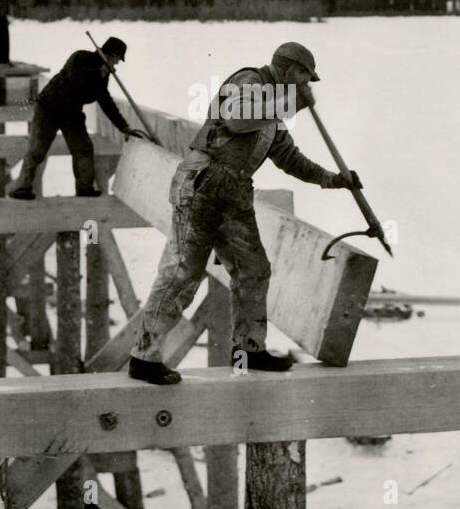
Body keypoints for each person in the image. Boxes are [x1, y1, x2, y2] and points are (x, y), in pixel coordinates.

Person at [128, 41, 361, 385]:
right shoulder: (248, 84)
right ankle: (143, 358)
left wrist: (332, 180)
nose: (306, 85)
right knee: (183, 273)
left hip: (233, 193)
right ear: (284, 70)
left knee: (254, 270)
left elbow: (288, 158)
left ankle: (248, 350)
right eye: (303, 76)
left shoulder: (273, 113)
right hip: (202, 185)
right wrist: (288, 102)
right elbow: (237, 121)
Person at [10, 35, 145, 199]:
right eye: (117, 60)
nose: (116, 64)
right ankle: (22, 187)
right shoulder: (80, 57)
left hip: (72, 113)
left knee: (84, 149)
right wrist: (98, 73)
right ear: (111, 55)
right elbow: (76, 79)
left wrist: (123, 127)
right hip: (48, 108)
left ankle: (85, 188)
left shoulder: (104, 77)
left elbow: (106, 101)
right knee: (37, 149)